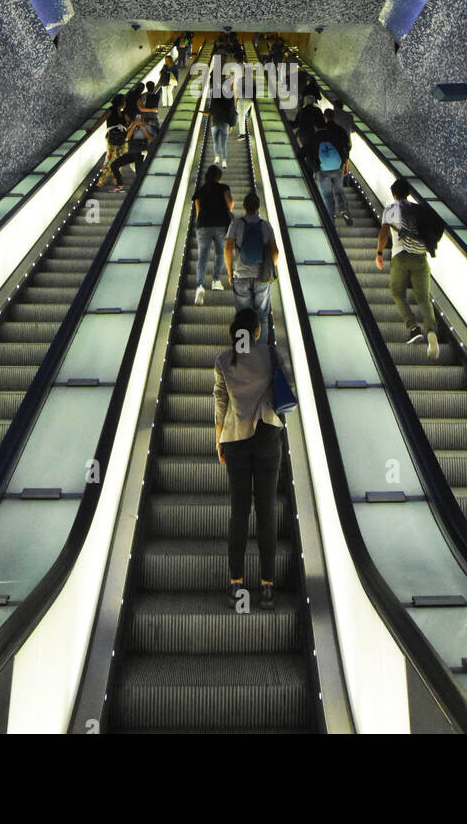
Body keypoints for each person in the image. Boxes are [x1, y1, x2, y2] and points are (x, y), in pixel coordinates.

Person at [214, 309, 293, 609]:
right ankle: (267, 587)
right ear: (256, 331)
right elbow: (290, 388)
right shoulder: (271, 355)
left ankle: (236, 584)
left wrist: (219, 438)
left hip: (235, 440)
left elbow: (220, 402)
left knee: (239, 511)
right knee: (266, 510)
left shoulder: (223, 361)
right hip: (267, 437)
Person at [375, 177, 439, 359]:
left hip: (400, 257)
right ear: (408, 194)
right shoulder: (418, 209)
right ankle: (431, 333)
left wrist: (379, 253)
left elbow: (383, 232)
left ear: (394, 194)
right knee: (423, 298)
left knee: (397, 292)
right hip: (420, 258)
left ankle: (413, 327)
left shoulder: (392, 208)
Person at [225, 191, 278, 334]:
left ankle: (243, 351)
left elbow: (228, 249)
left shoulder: (236, 223)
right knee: (262, 317)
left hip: (240, 275)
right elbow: (275, 253)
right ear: (258, 207)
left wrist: (230, 272)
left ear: (244, 206)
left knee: (243, 318)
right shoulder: (266, 225)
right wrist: (269, 270)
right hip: (261, 276)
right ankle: (261, 352)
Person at [193, 164, 234, 305]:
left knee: (202, 256)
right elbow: (230, 202)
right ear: (219, 177)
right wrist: (226, 210)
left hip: (203, 225)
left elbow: (198, 210)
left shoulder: (200, 190)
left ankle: (199, 285)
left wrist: (201, 222)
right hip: (221, 224)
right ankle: (216, 280)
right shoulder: (223, 188)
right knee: (220, 253)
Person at [307, 110, 352, 225]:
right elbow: (346, 145)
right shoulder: (339, 130)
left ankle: (330, 219)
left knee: (327, 195)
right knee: (338, 190)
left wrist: (314, 167)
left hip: (323, 169)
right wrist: (343, 162)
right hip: (337, 167)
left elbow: (310, 152)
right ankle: (343, 209)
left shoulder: (319, 134)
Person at [109, 113, 154, 190]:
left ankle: (140, 187)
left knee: (139, 171)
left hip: (141, 152)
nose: (139, 120)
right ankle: (120, 185)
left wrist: (143, 128)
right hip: (131, 152)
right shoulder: (132, 127)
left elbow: (151, 139)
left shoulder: (147, 127)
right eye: (137, 119)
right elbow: (127, 137)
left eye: (140, 119)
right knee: (114, 165)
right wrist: (133, 126)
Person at [96, 94, 130, 186]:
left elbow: (101, 120)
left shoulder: (121, 112)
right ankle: (105, 179)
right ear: (121, 102)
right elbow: (102, 119)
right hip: (116, 138)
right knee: (114, 158)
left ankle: (114, 179)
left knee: (113, 158)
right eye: (124, 101)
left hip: (117, 138)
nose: (125, 103)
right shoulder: (113, 111)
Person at [202, 86, 235, 167]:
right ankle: (224, 161)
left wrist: (200, 112)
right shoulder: (229, 100)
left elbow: (210, 112)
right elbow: (232, 113)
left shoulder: (214, 100)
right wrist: (231, 125)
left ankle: (217, 158)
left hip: (215, 123)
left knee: (215, 142)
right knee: (223, 144)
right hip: (225, 124)